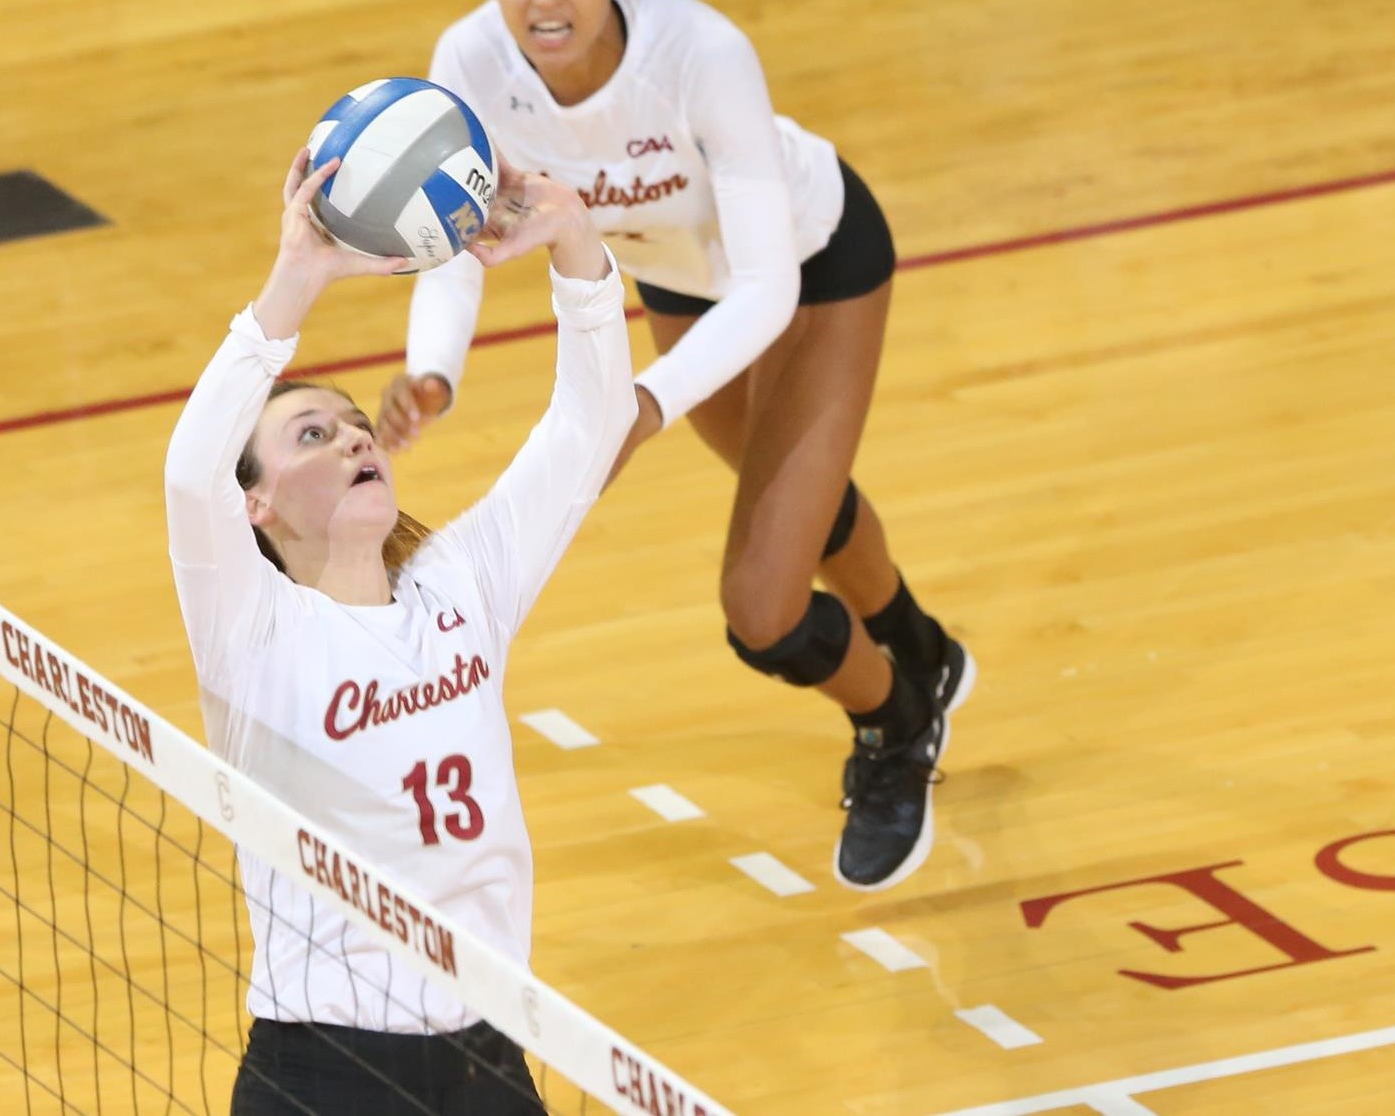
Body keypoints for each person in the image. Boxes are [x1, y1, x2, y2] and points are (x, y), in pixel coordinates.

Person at [378, 0, 975, 892]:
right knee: (793, 495)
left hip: (812, 268)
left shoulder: (700, 50)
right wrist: (432, 373)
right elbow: (461, 242)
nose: (544, 6)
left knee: (762, 605)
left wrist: (644, 407)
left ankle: (897, 720)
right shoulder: (469, 59)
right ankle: (915, 643)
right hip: (681, 285)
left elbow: (767, 287)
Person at [164, 146, 632, 1114]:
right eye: (310, 436)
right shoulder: (252, 630)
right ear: (255, 507)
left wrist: (577, 244)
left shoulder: (459, 586)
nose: (352, 437)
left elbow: (593, 424)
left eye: (349, 425)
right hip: (328, 1077)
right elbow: (186, 474)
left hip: (488, 1063)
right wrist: (298, 274)